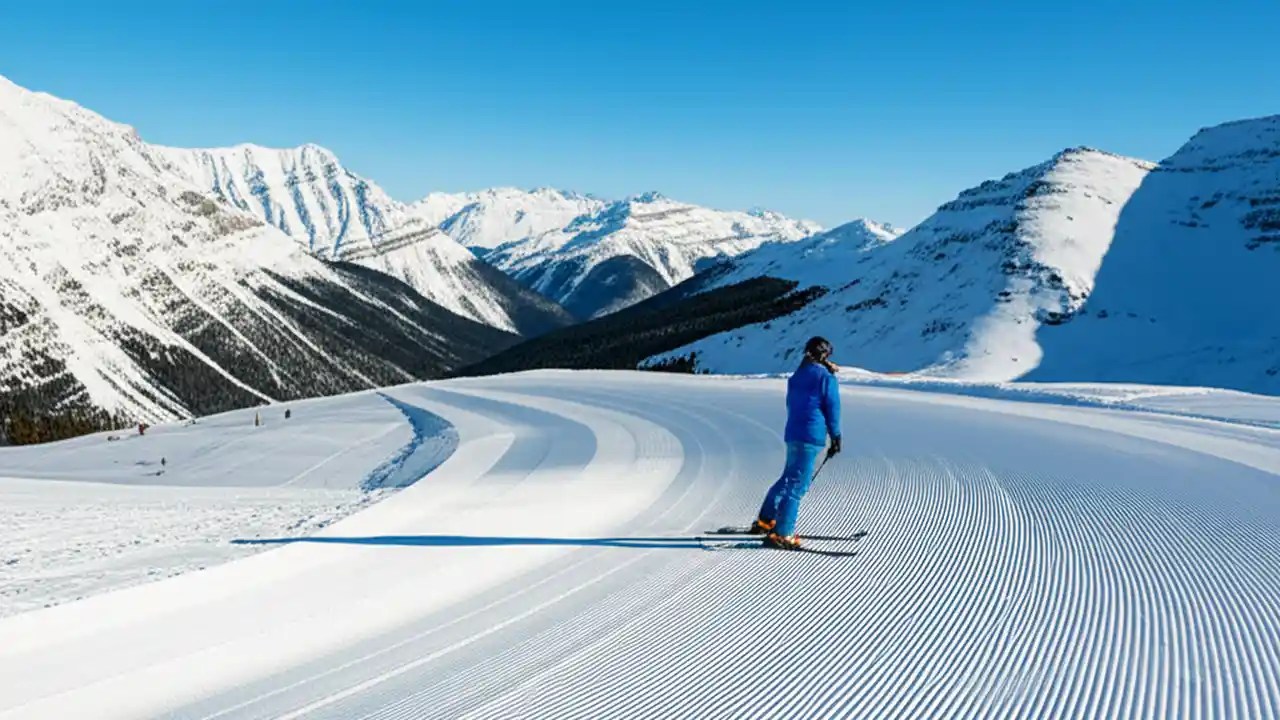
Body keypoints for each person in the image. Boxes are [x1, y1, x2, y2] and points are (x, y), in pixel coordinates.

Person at [751, 336, 842, 550]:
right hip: (811, 435)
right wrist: (835, 436)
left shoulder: (797, 376)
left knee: (788, 478)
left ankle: (766, 519)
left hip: (793, 433)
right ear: (823, 354)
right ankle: (783, 532)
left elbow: (790, 404)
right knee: (797, 486)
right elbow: (832, 408)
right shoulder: (825, 377)